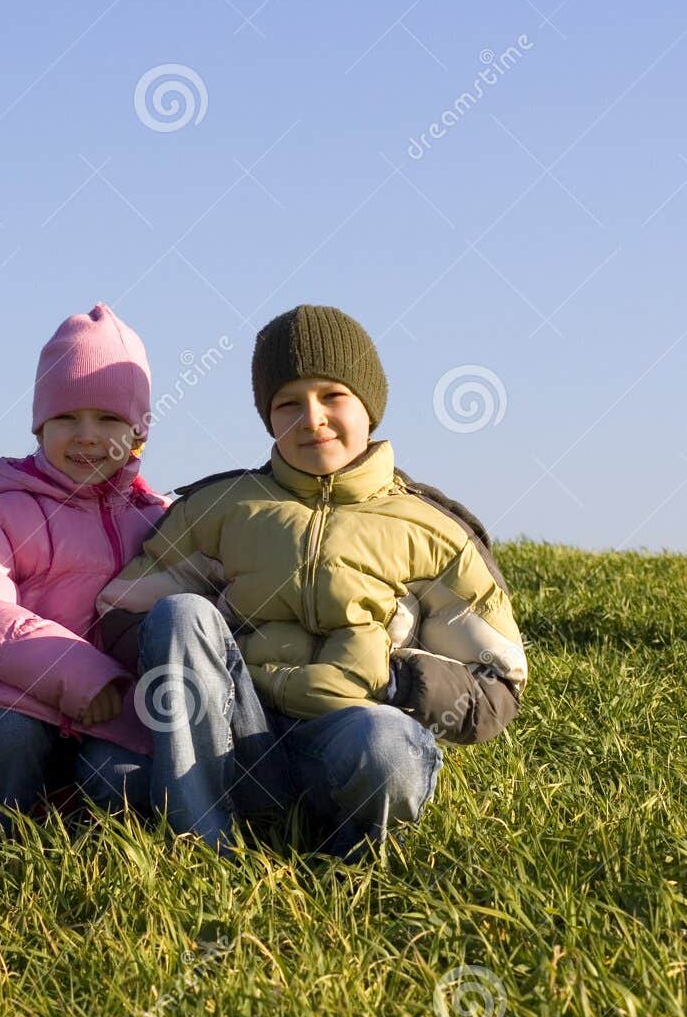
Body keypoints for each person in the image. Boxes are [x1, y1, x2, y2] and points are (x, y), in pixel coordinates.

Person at [94, 304, 527, 857]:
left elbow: (497, 681)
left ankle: (341, 856)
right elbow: (123, 609)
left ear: (370, 405)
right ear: (268, 418)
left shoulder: (432, 528)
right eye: (288, 403)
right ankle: (199, 836)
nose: (312, 418)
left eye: (332, 396)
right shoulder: (223, 506)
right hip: (236, 735)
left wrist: (400, 680)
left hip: (348, 736)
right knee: (177, 623)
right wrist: (213, 637)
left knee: (389, 751)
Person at [0, 303, 168, 833]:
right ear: (39, 428)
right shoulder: (1, 512)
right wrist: (77, 672)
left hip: (114, 717)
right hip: (12, 698)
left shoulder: (159, 523)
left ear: (138, 434)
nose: (86, 435)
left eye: (108, 419)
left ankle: (85, 867)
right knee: (13, 737)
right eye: (66, 418)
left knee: (122, 778)